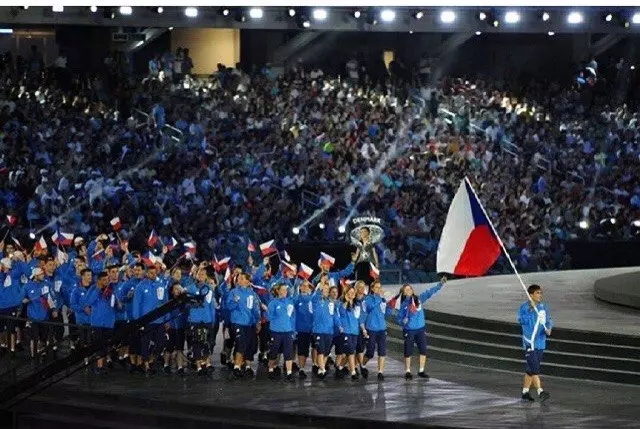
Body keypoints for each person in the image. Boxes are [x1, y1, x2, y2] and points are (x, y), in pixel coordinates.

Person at [394, 278, 445, 380]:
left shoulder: (418, 299)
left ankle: (421, 370)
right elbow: (398, 317)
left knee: (423, 350)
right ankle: (407, 371)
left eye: (410, 289)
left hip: (420, 329)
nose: (409, 291)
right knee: (408, 351)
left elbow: (429, 292)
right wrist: (402, 322)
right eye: (406, 290)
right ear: (403, 293)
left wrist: (440, 284)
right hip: (409, 330)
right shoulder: (403, 305)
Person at [517, 284, 552, 402]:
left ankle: (525, 392)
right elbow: (521, 320)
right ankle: (540, 391)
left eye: (540, 293)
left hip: (540, 342)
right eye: (537, 293)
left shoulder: (543, 307)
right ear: (530, 294)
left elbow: (548, 320)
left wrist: (549, 328)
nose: (540, 295)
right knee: (534, 368)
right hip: (529, 343)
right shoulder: (523, 307)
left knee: (530, 370)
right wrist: (531, 310)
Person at [225, 272, 260, 379]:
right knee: (240, 343)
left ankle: (246, 366)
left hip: (249, 324)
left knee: (249, 345)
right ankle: (237, 367)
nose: (239, 280)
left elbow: (255, 309)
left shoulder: (252, 294)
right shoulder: (234, 292)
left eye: (242, 278)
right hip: (237, 322)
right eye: (238, 278)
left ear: (248, 281)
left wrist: (257, 321)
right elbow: (229, 306)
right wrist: (235, 302)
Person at [84, 271, 117, 374]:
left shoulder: (112, 289)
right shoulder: (93, 289)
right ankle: (98, 366)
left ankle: (102, 365)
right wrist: (98, 289)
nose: (106, 282)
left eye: (107, 280)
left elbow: (115, 303)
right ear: (98, 280)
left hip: (109, 322)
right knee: (98, 345)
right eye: (103, 280)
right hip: (97, 322)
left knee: (106, 345)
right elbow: (88, 302)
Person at [361, 280, 393, 381]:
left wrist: (390, 305)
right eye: (377, 287)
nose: (379, 289)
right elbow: (370, 307)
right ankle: (362, 365)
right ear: (372, 288)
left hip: (382, 328)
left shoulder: (382, 299)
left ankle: (380, 372)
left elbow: (385, 313)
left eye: (380, 287)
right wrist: (381, 299)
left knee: (382, 351)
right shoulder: (368, 298)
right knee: (370, 352)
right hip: (371, 328)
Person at [266, 283, 296, 382]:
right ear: (277, 291)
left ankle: (289, 373)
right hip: (276, 332)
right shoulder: (273, 303)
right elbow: (269, 317)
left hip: (288, 332)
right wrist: (271, 313)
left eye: (286, 290)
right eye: (282, 290)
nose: (284, 292)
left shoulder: (290, 302)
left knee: (288, 353)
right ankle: (270, 370)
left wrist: (293, 330)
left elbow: (292, 318)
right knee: (274, 352)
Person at [337, 286, 366, 381]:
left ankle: (340, 367)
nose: (352, 294)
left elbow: (359, 319)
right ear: (346, 293)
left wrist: (363, 329)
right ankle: (353, 372)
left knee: (350, 352)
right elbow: (341, 312)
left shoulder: (357, 305)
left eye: (353, 292)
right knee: (350, 351)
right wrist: (347, 301)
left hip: (355, 331)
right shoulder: (341, 303)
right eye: (349, 292)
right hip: (345, 331)